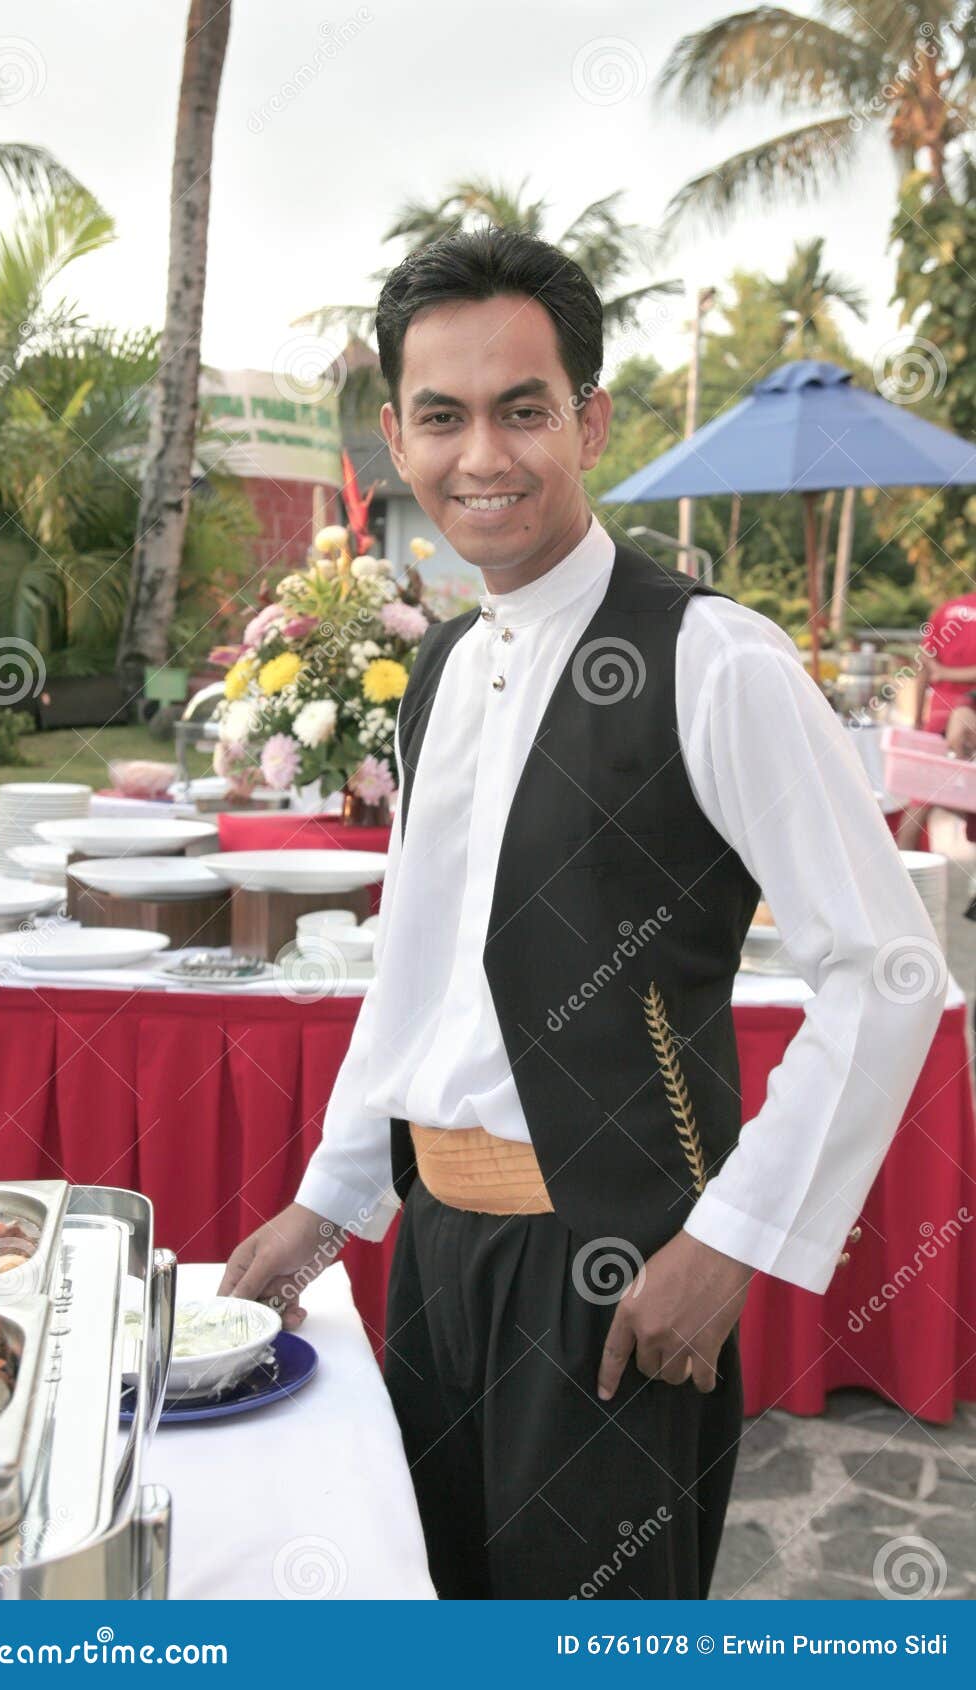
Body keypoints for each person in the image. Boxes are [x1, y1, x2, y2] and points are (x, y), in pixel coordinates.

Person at [219, 229, 947, 1600]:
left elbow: (890, 969)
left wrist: (730, 1243)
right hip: (436, 1256)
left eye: (522, 408)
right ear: (396, 434)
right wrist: (332, 1198)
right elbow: (417, 966)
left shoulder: (713, 656)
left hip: (619, 1275)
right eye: (442, 415)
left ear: (589, 419)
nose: (480, 454)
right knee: (435, 1610)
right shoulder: (436, 667)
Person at [897, 590, 976, 848]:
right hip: (971, 716)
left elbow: (923, 667)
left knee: (920, 798)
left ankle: (902, 874)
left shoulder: (947, 609)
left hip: (939, 713)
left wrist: (917, 719)